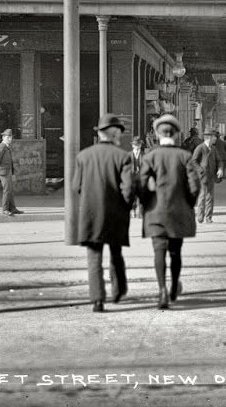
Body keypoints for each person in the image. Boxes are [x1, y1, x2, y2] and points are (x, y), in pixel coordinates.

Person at [73, 112, 137, 312]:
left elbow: (76, 186)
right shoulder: (123, 157)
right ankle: (118, 292)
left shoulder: (83, 156)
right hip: (115, 215)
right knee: (116, 253)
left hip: (91, 215)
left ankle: (97, 300)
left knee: (94, 257)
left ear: (100, 134)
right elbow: (128, 189)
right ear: (115, 133)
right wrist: (126, 207)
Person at [136, 114, 201, 309]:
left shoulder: (150, 156)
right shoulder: (185, 156)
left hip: (156, 213)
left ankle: (162, 290)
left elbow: (140, 183)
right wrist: (188, 203)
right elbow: (195, 186)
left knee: (159, 251)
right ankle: (174, 287)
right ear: (177, 134)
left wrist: (146, 203)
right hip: (178, 212)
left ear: (157, 134)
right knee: (175, 251)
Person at [192, 130, 221, 224]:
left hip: (211, 176)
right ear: (208, 137)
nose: (215, 138)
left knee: (210, 197)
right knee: (202, 197)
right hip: (202, 177)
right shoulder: (200, 148)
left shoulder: (214, 149)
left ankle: (209, 218)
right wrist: (201, 170)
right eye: (214, 137)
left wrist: (220, 169)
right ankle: (200, 217)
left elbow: (219, 161)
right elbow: (194, 161)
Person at [0, 128, 22, 216]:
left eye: (10, 137)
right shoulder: (1, 147)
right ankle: (5, 209)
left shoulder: (6, 147)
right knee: (7, 190)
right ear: (3, 137)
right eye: (7, 137)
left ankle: (12, 208)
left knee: (10, 190)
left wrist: (12, 173)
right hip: (3, 171)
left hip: (7, 171)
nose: (10, 139)